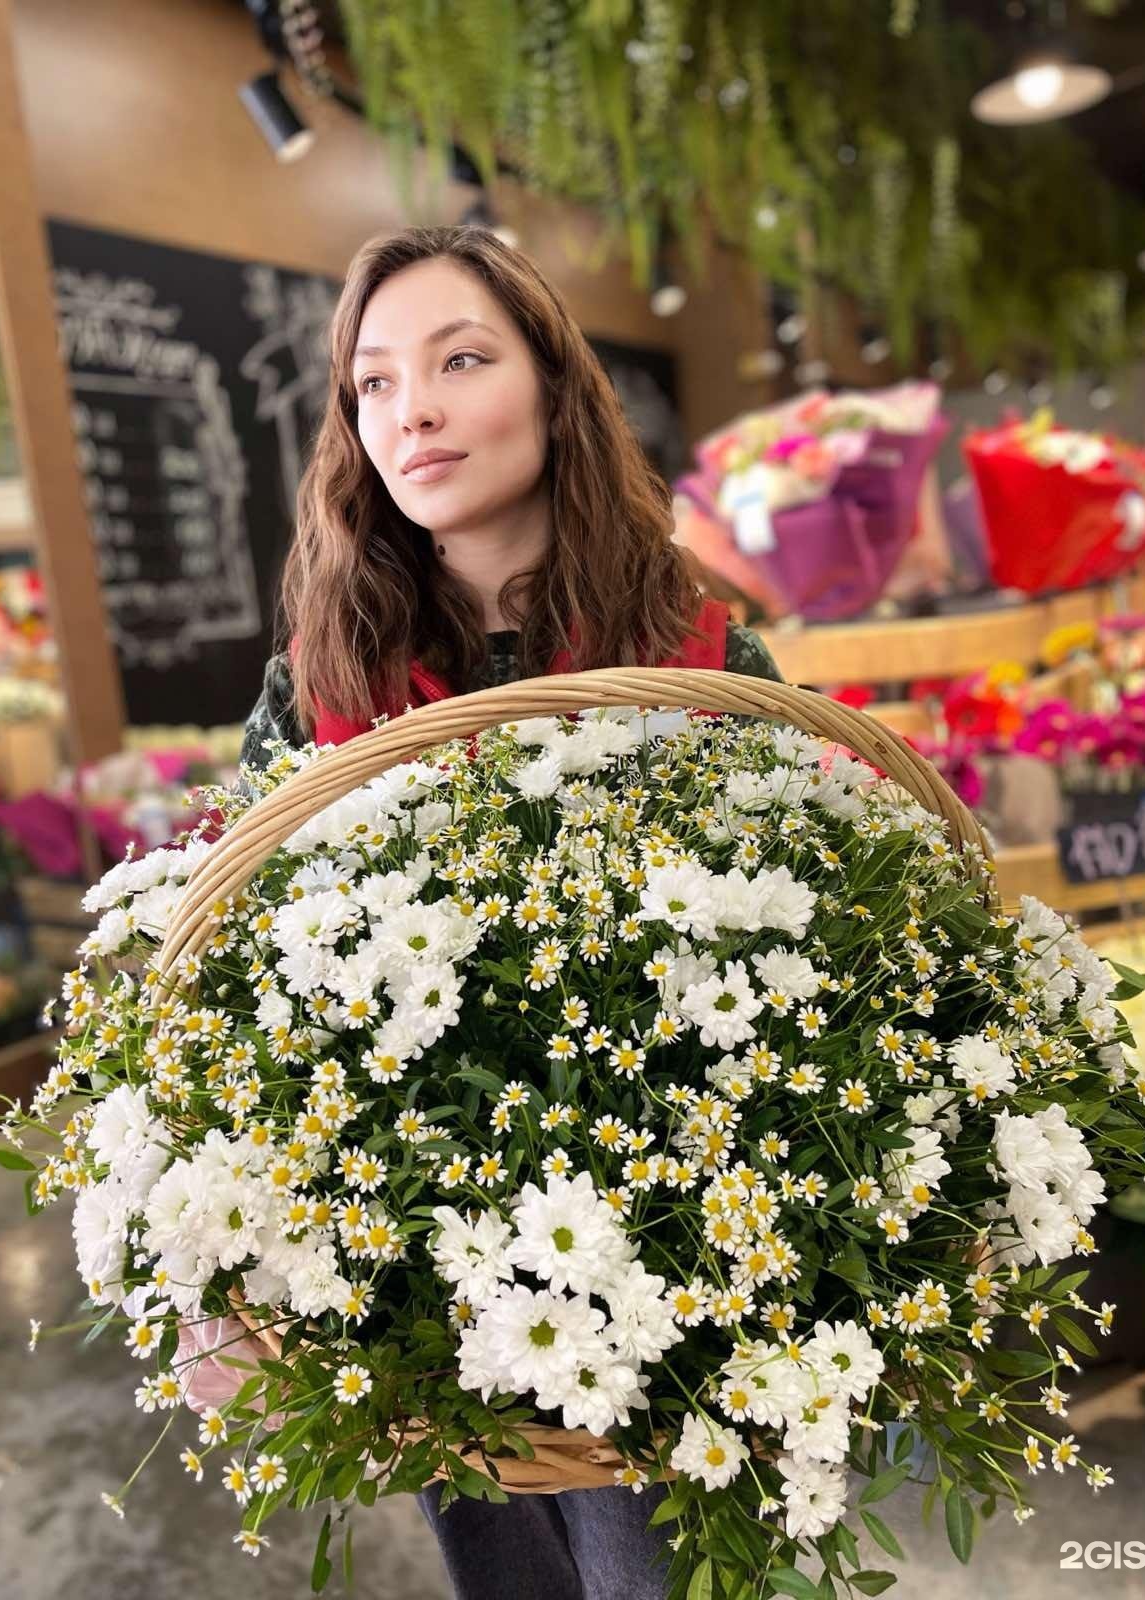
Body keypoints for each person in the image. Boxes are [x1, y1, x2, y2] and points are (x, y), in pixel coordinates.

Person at [238, 223, 784, 1599]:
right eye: (372, 383)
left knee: (649, 1569)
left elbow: (811, 934)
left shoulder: (700, 651)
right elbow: (222, 952)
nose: (407, 409)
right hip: (424, 1260)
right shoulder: (322, 684)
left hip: (670, 1240)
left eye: (460, 360)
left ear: (553, 386)